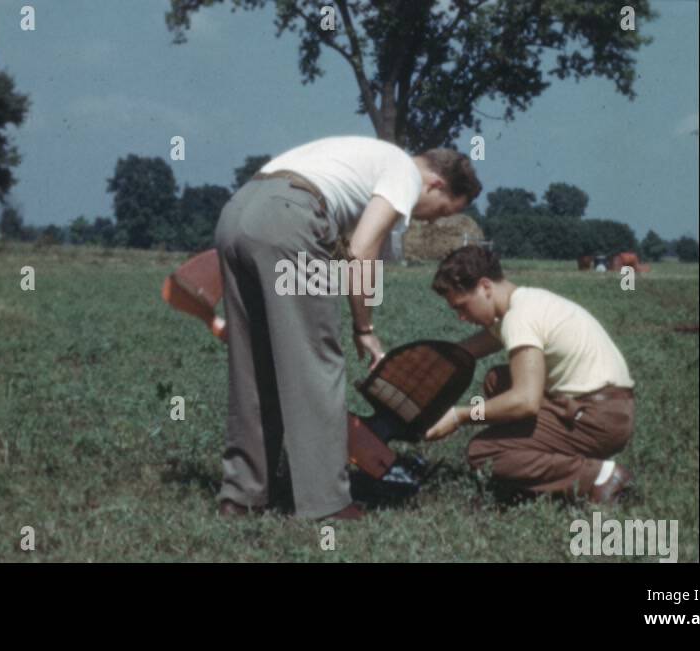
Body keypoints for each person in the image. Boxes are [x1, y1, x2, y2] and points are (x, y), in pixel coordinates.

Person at [214, 135, 482, 520]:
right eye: (439, 212)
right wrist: (364, 327)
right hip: (290, 217)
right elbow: (360, 252)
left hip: (237, 212)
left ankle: (240, 496)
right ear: (435, 184)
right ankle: (327, 504)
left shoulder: (367, 157)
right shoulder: (405, 173)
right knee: (316, 366)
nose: (428, 220)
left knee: (254, 366)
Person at [425, 245, 636, 504]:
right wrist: (425, 366)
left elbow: (525, 401)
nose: (461, 317)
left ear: (485, 287)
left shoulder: (519, 318)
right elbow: (464, 352)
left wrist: (459, 416)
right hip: (608, 409)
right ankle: (535, 453)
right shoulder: (527, 301)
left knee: (482, 453)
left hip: (596, 418)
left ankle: (598, 477)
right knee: (497, 380)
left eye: (463, 306)